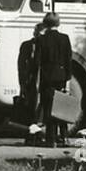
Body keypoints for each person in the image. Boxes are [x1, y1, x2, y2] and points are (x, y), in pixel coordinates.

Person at [34, 11, 73, 147]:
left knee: (48, 108)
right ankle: (64, 137)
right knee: (61, 107)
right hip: (61, 77)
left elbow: (37, 61)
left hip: (47, 77)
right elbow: (68, 60)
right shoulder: (65, 38)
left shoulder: (41, 39)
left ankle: (51, 139)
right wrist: (68, 80)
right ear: (58, 23)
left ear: (45, 23)